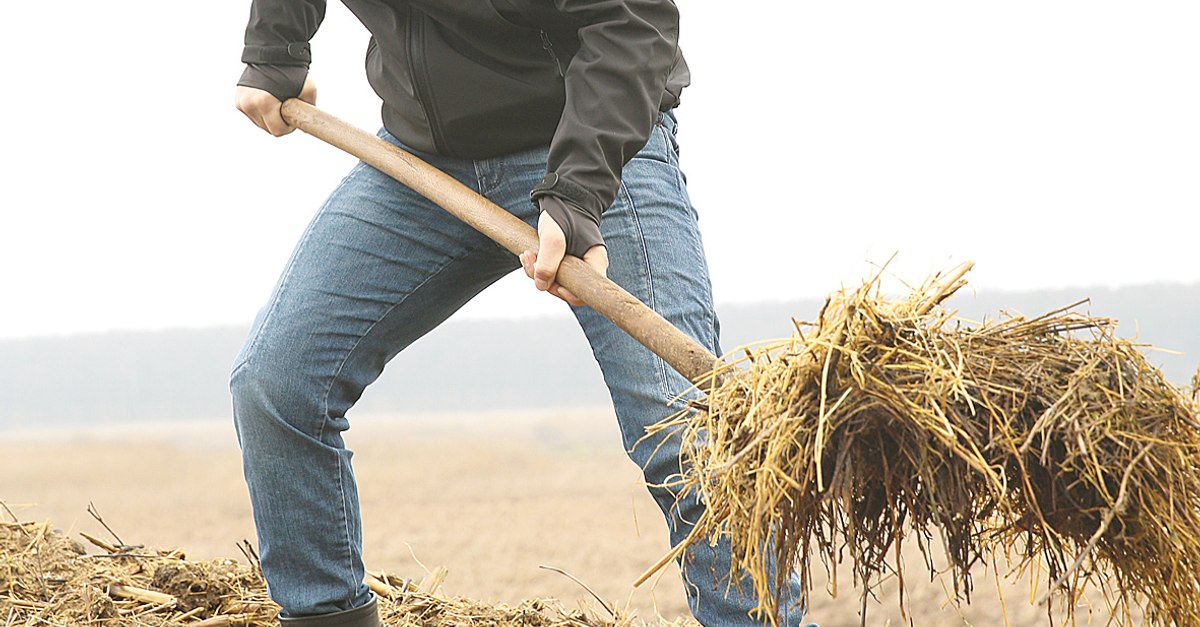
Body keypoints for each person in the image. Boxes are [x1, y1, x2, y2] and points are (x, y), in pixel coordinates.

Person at [231, 1, 815, 625]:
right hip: (424, 156)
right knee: (277, 383)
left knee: (682, 432)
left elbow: (632, 19)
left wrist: (578, 192)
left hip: (590, 142)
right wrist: (276, 49)